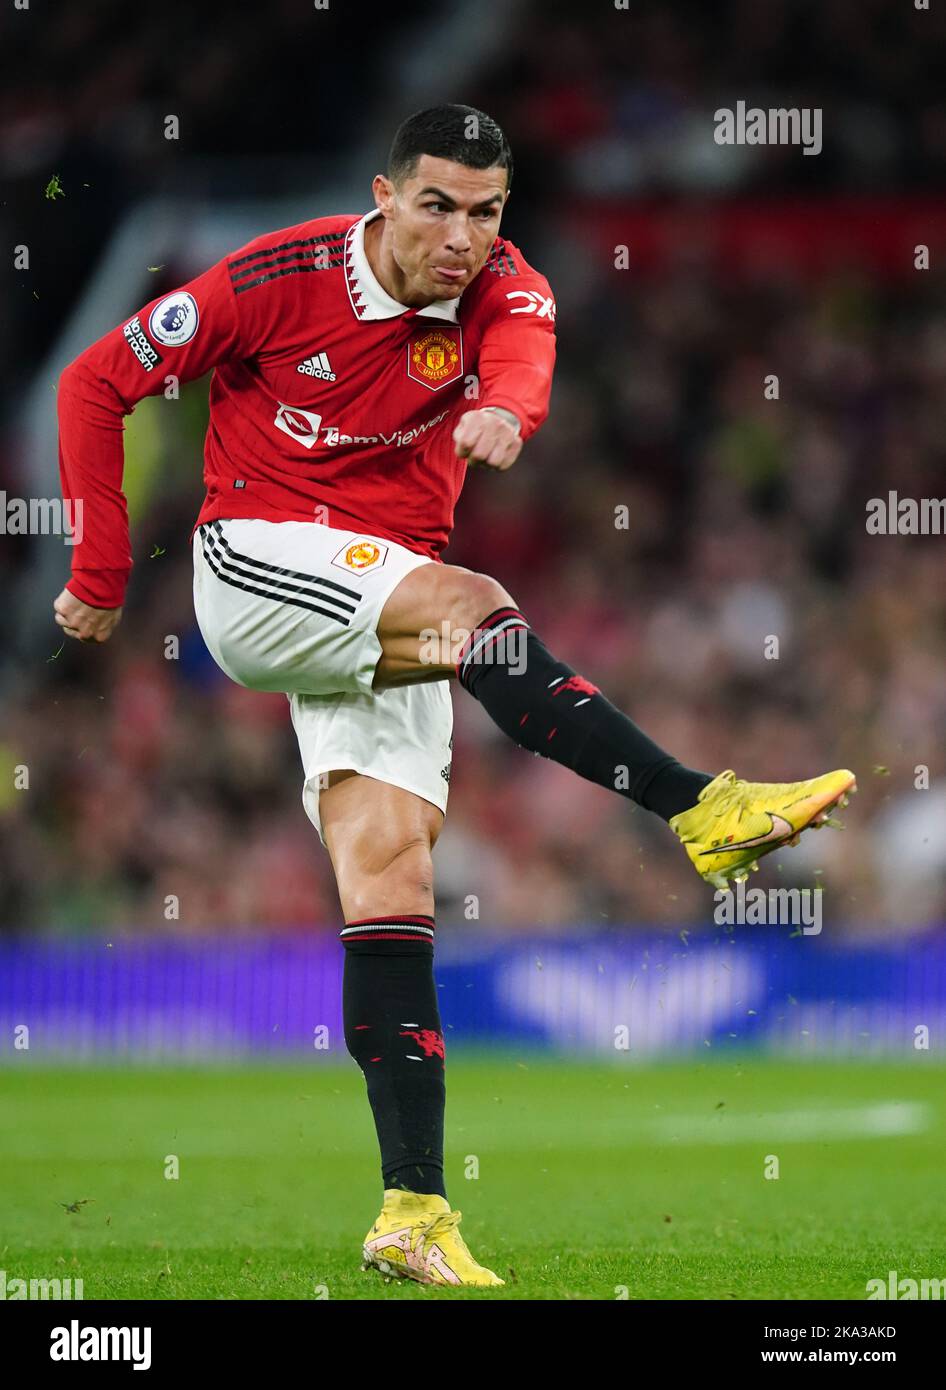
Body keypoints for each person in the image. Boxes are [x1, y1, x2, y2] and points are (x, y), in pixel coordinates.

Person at [55, 104, 854, 1287]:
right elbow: (92, 382)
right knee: (473, 600)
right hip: (258, 561)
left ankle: (411, 1210)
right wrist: (101, 568)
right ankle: (699, 806)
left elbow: (523, 359)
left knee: (391, 871)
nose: (462, 236)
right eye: (436, 204)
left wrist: (507, 412)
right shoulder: (272, 277)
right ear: (383, 197)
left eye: (485, 211)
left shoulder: (505, 287)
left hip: (379, 595)